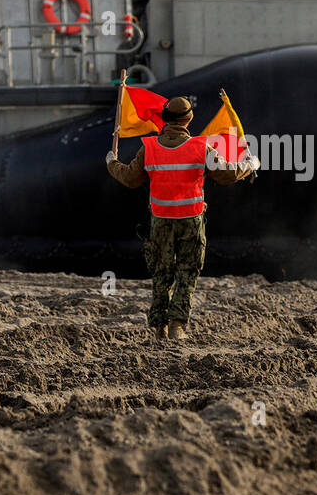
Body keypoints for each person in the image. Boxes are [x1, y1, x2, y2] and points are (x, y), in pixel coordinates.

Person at [106, 96, 253, 339]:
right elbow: (227, 175)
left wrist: (112, 163)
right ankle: (177, 325)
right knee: (188, 270)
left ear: (166, 120)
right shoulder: (200, 147)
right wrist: (249, 163)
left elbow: (130, 178)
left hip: (160, 220)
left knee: (161, 271)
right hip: (190, 220)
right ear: (188, 120)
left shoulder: (150, 147)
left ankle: (159, 326)